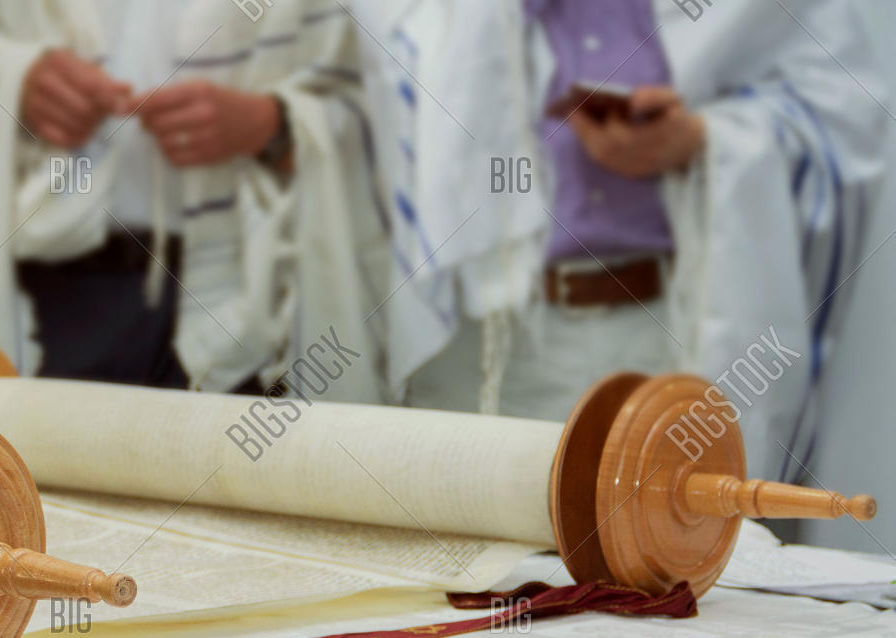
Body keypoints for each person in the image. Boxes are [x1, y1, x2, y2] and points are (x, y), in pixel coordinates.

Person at [351, 0, 887, 480]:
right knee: (468, 574)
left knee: (660, 571)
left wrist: (702, 141)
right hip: (475, 343)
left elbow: (845, 117)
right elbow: (350, 98)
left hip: (669, 337)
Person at [0, 0, 390, 400]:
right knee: (39, 505)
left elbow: (386, 108)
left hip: (248, 302)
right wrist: (16, 80)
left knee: (226, 512)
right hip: (55, 297)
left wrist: (272, 125)